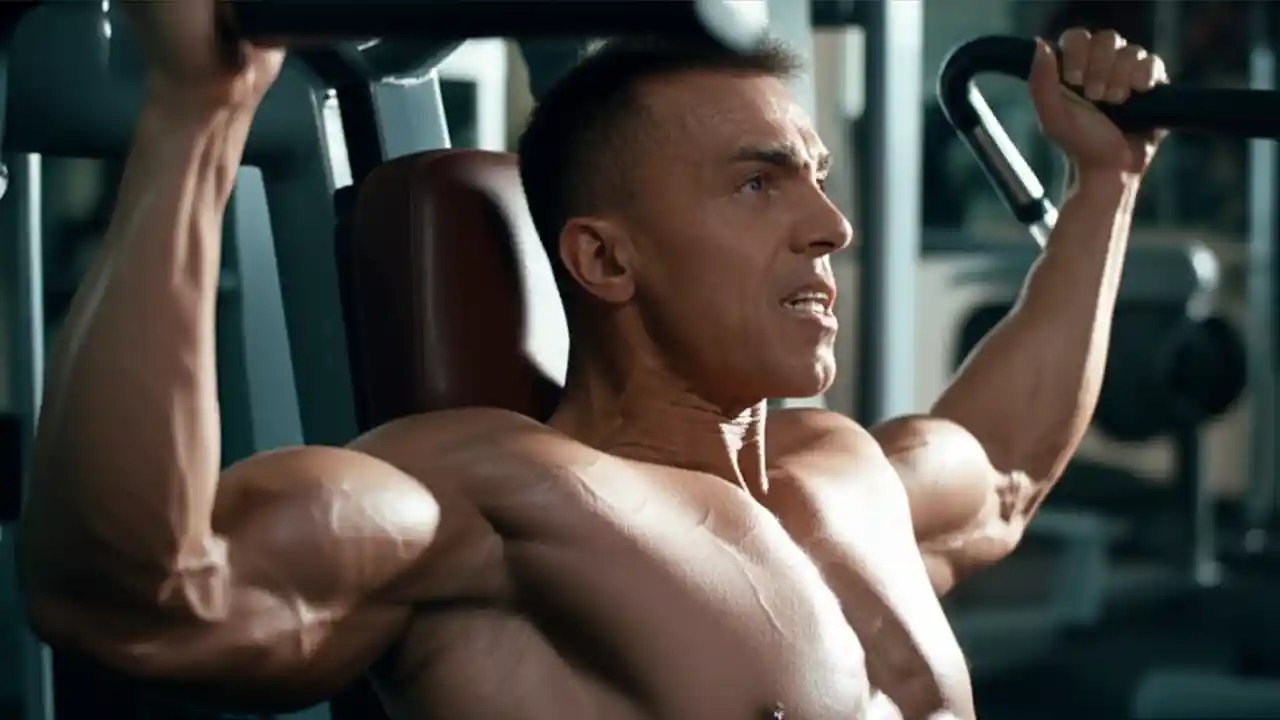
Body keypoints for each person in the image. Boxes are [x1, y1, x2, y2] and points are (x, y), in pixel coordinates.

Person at [17, 3, 1168, 719]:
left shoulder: (847, 470)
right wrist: (198, 119)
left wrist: (1104, 184)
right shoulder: (502, 505)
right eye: (758, 183)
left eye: (816, 179)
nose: (830, 226)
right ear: (605, 260)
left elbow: (1004, 474)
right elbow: (141, 599)